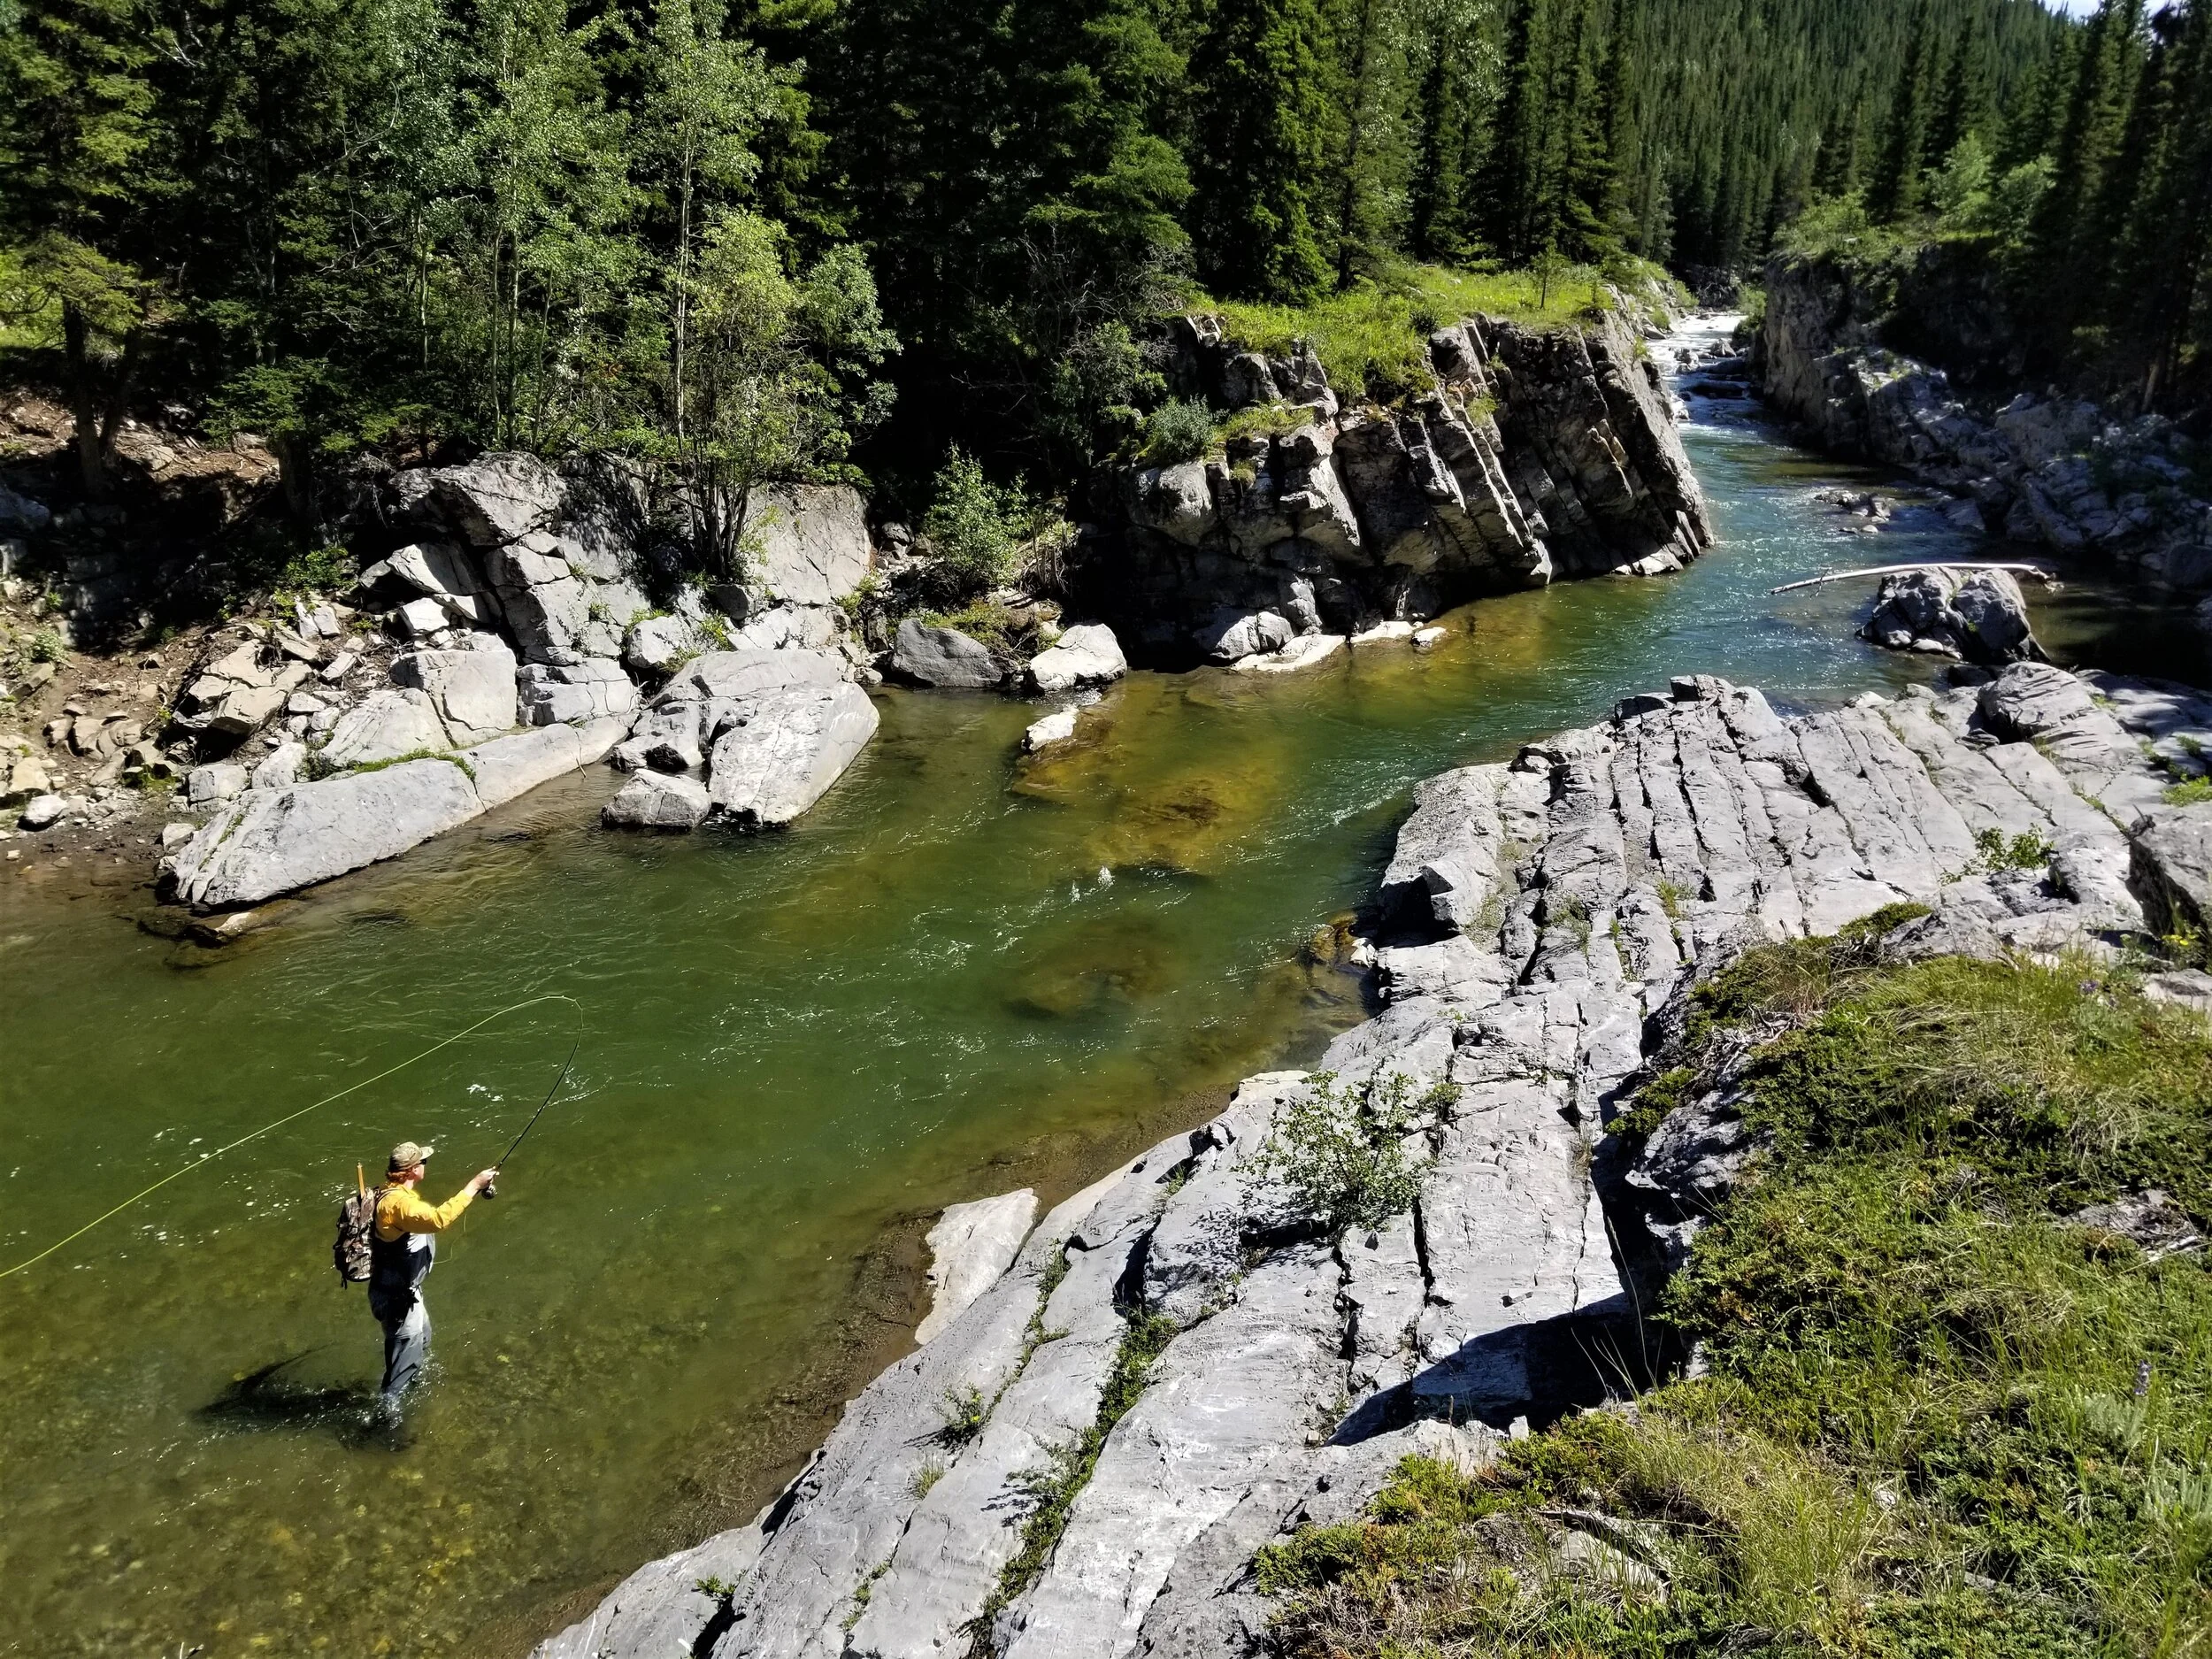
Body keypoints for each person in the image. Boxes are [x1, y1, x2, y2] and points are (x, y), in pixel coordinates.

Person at [368, 1141, 497, 1423]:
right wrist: (474, 1186)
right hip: (397, 1299)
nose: (425, 1166)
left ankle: (406, 1384)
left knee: (423, 1339)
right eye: (423, 1162)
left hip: (404, 1291)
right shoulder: (399, 1205)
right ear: (413, 1170)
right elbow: (438, 1220)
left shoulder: (392, 1194)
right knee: (400, 1372)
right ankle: (384, 1422)